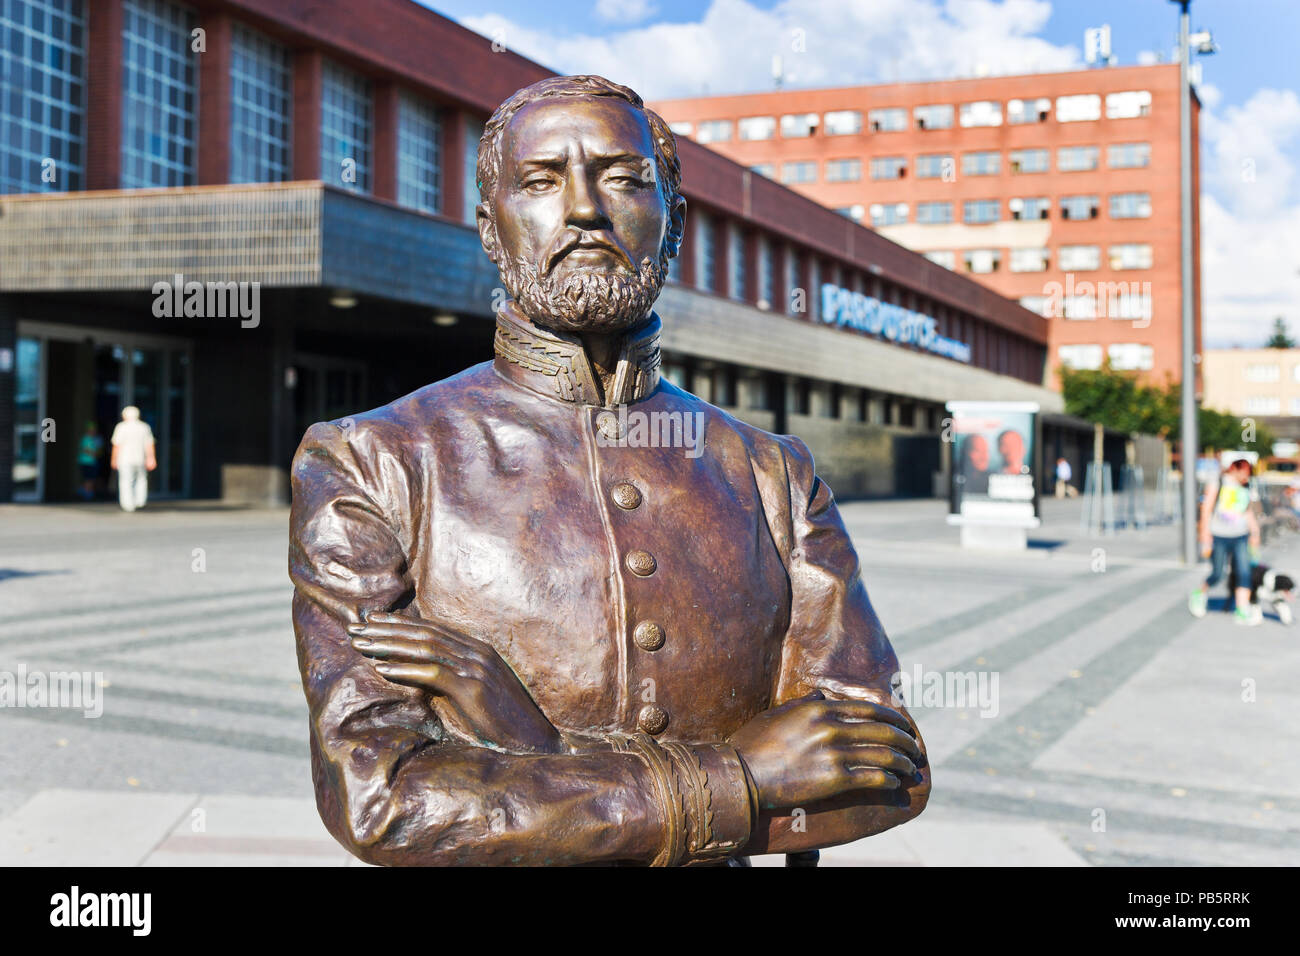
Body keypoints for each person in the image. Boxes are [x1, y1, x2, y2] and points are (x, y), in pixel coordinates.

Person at [289, 75, 928, 867]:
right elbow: (383, 800)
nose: (586, 209)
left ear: (675, 223)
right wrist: (742, 778)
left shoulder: (773, 473)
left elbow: (887, 772)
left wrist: (531, 747)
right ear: (492, 229)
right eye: (542, 181)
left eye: (624, 178)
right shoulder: (373, 460)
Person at [1189, 457, 1262, 625]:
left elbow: (1248, 511)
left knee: (1244, 572)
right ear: (1234, 469)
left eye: (1248, 474)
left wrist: (1255, 532)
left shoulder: (1246, 487)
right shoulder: (1219, 481)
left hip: (1240, 535)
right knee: (1218, 573)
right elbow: (1206, 508)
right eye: (1244, 472)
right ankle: (1199, 593)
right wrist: (1204, 534)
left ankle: (1242, 609)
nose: (1246, 477)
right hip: (1219, 535)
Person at [110, 406, 156, 513]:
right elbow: (149, 444)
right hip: (140, 458)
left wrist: (114, 459)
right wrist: (151, 458)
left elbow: (116, 445)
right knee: (141, 479)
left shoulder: (121, 427)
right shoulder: (144, 427)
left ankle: (128, 504)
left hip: (125, 459)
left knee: (126, 481)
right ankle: (140, 501)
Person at [76, 421, 103, 500]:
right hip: (85, 462)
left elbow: (99, 451)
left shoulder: (96, 439)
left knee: (91, 479)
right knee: (88, 479)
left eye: (94, 430)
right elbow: (86, 450)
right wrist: (94, 453)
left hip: (93, 462)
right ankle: (87, 494)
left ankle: (85, 492)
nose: (93, 431)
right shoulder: (85, 438)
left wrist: (95, 453)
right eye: (91, 430)